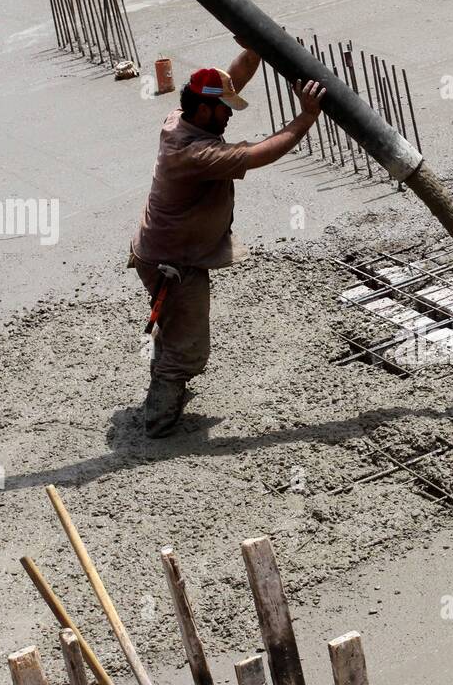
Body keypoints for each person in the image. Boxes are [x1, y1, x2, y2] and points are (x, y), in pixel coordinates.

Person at [129, 44, 325, 437]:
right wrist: (305, 118)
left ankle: (166, 375)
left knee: (175, 324)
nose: (230, 115)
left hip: (163, 248)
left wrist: (257, 45)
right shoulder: (196, 152)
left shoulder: (180, 116)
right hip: (173, 262)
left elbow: (233, 78)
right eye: (225, 110)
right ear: (204, 111)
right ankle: (159, 417)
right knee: (189, 347)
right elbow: (258, 154)